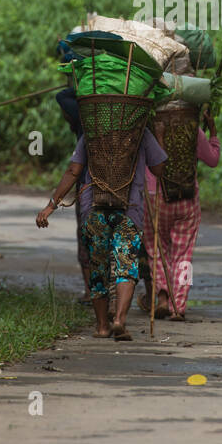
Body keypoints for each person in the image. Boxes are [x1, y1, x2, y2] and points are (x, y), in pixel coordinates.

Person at [35, 127, 167, 340]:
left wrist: (51, 205)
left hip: (94, 210)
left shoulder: (92, 129)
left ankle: (102, 326)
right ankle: (120, 320)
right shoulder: (141, 130)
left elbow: (73, 171)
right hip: (128, 209)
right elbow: (159, 169)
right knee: (126, 266)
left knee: (98, 269)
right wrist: (158, 137)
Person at [142, 108, 221, 320]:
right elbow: (213, 160)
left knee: (156, 250)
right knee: (184, 255)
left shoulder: (147, 131)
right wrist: (213, 133)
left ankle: (161, 296)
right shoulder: (194, 131)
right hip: (186, 198)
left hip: (154, 196)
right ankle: (179, 305)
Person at [54, 84, 90, 300]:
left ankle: (91, 291)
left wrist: (52, 203)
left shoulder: (84, 116)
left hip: (87, 186)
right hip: (128, 188)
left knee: (87, 237)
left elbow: (74, 169)